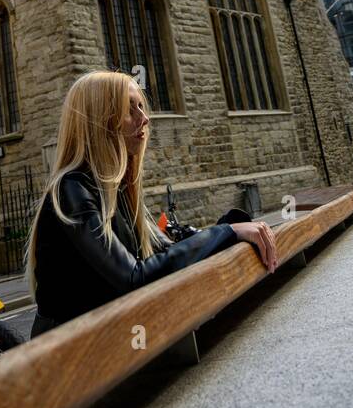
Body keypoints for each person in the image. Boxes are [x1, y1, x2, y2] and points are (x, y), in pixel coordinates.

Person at [25, 70, 279, 338]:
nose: (144, 119)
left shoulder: (117, 189)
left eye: (141, 107)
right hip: (69, 357)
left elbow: (166, 254)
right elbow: (135, 279)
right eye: (129, 109)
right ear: (99, 121)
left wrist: (229, 227)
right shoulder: (73, 189)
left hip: (107, 337)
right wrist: (226, 233)